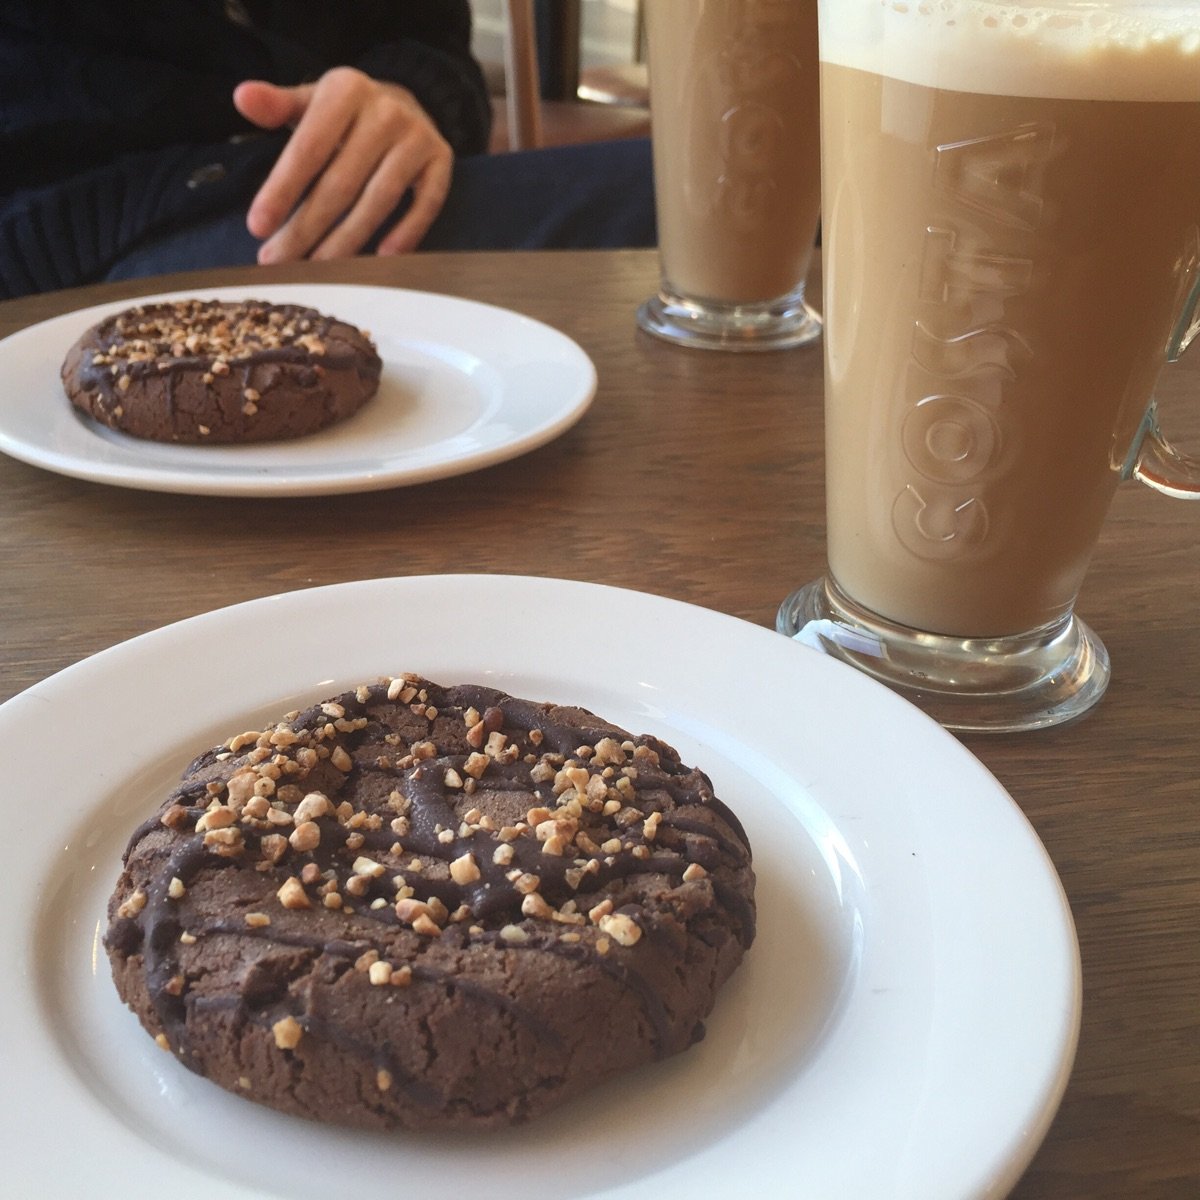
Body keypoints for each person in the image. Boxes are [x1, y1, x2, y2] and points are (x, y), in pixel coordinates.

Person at [0, 0, 655, 300]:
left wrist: (405, 94)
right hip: (81, 247)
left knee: (690, 202)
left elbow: (433, 42)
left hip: (362, 194)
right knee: (679, 203)